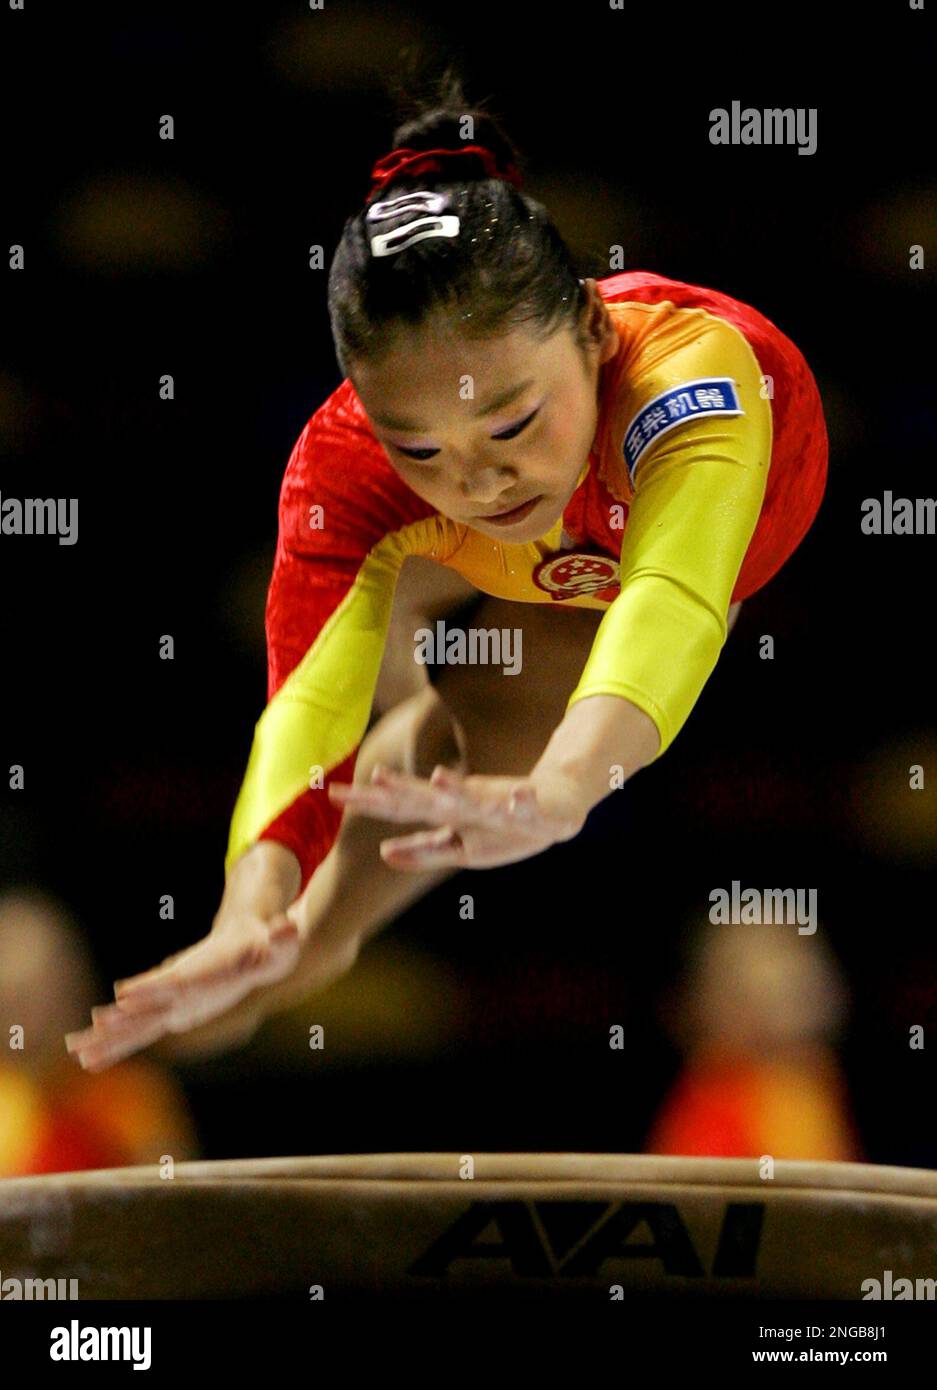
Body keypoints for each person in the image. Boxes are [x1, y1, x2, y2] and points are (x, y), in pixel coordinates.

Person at [66, 73, 827, 1073]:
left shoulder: (689, 376)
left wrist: (563, 788)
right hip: (536, 556)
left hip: (678, 522)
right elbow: (302, 700)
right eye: (419, 444)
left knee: (500, 727)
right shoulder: (346, 458)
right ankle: (286, 947)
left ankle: (386, 792)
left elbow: (673, 599)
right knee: (381, 673)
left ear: (593, 332)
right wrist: (251, 895)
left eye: (511, 418)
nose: (477, 469)